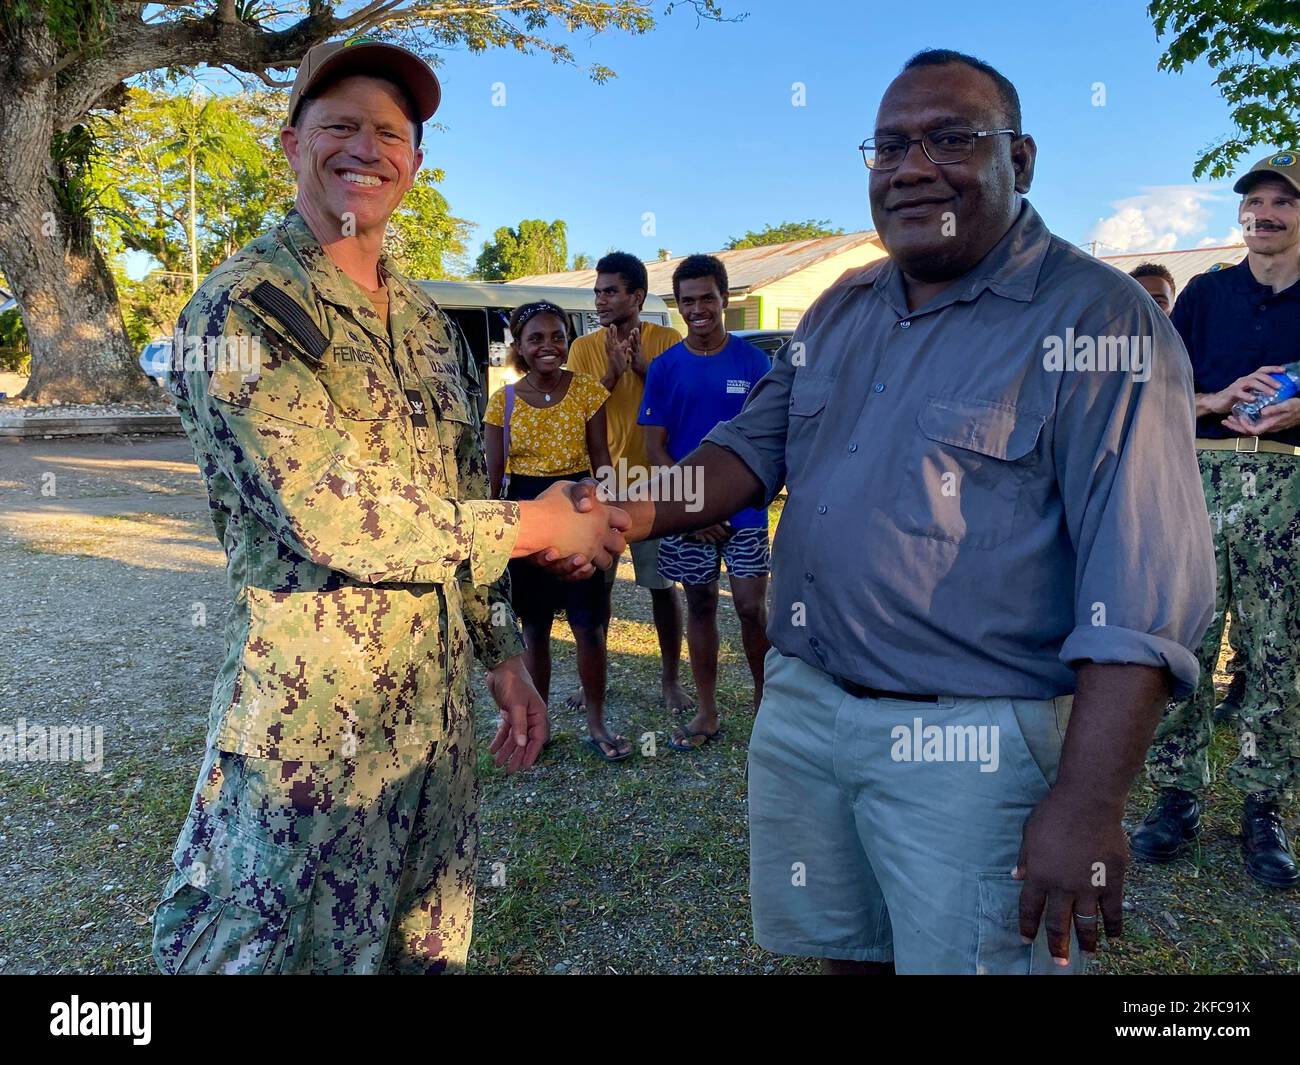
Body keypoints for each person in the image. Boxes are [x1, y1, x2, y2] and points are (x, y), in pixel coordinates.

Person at [615, 49, 1214, 973]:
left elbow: (1143, 592)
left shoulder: (1101, 323)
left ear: (1022, 159)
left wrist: (1090, 801)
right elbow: (742, 453)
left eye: (950, 139)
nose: (912, 166)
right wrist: (603, 509)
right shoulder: (840, 308)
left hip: (973, 744)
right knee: (844, 950)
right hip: (807, 709)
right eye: (890, 146)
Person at [151, 37, 628, 975]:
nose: (364, 149)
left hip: (432, 737)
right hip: (312, 736)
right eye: (339, 127)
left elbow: (456, 498)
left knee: (426, 952)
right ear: (290, 146)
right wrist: (542, 524)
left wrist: (498, 659)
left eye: (388, 133)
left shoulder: (426, 323)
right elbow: (331, 512)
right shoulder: (238, 311)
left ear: (414, 162)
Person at [1135, 150, 1300, 888]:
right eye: (1253, 203)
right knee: (1186, 637)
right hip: (1199, 478)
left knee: (1276, 652)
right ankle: (1178, 794)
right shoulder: (1205, 294)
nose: (1263, 214)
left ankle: (1264, 806)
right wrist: (1217, 397)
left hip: (1289, 483)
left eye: (1283, 203)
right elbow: (1158, 388)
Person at [485, 301, 631, 762]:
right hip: (527, 518)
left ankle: (596, 722)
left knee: (590, 627)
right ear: (520, 348)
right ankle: (538, 721)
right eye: (536, 338)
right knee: (536, 628)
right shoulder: (501, 402)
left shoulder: (589, 391)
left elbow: (601, 459)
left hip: (579, 504)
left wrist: (606, 506)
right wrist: (494, 538)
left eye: (557, 336)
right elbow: (492, 477)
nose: (548, 346)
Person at [638, 255, 772, 750]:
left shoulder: (755, 364)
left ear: (725, 300)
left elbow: (770, 439)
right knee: (699, 602)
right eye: (688, 301)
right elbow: (655, 447)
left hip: (746, 513)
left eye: (707, 298)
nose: (698, 309)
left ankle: (765, 709)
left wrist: (723, 503)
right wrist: (695, 506)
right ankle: (707, 711)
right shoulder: (665, 367)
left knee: (752, 608)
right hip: (689, 514)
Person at [566, 253, 691, 717]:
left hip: (653, 480)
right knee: (597, 588)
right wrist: (613, 373)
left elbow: (679, 403)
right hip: (602, 480)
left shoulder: (668, 341)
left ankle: (671, 681)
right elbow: (577, 409)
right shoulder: (583, 349)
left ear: (637, 296)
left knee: (661, 586)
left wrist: (642, 367)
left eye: (611, 291)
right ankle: (592, 683)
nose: (601, 299)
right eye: (597, 291)